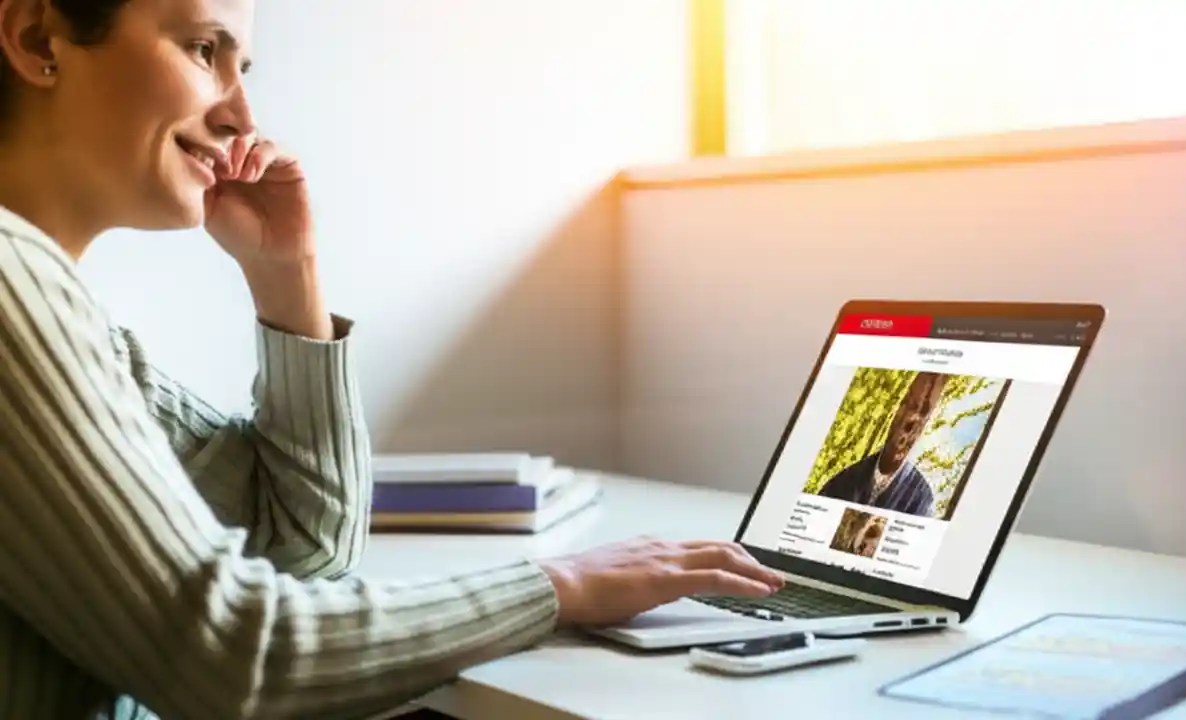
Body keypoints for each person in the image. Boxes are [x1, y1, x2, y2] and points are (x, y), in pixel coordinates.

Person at [0, 1, 784, 717]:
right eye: (205, 50)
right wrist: (561, 585)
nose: (242, 116)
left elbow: (303, 542)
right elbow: (235, 654)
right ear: (38, 38)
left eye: (244, 71)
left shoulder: (67, 316)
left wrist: (287, 275)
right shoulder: (12, 283)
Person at [817, 371, 947, 517]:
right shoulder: (843, 481)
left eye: (923, 413)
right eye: (908, 404)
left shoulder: (921, 500)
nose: (910, 417)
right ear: (895, 409)